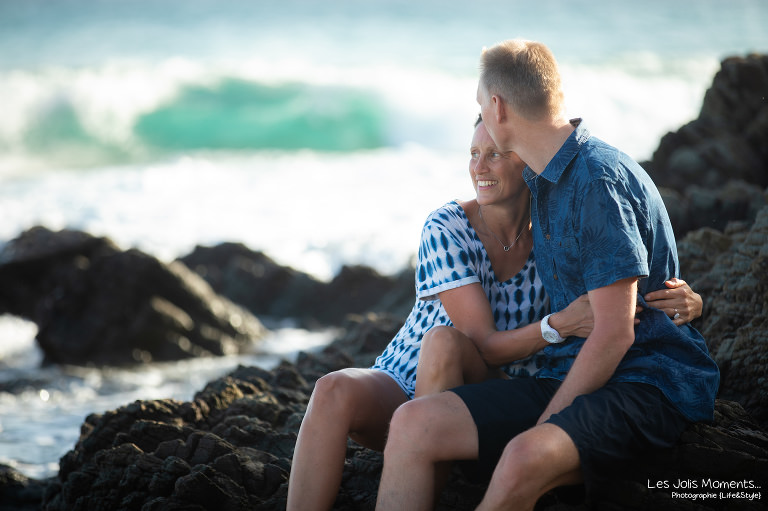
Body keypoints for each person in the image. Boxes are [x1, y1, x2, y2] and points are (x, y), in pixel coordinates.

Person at [287, 114, 703, 511]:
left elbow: (616, 289)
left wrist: (685, 298)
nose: (479, 166)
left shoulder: (554, 231)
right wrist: (557, 327)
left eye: (496, 153)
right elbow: (484, 342)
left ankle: (432, 473)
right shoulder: (447, 226)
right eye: (473, 153)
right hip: (405, 379)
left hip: (487, 385)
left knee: (445, 346)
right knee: (333, 389)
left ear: (527, 160)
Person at [374, 39, 720, 511]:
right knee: (414, 423)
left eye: (480, 102)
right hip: (566, 371)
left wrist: (543, 426)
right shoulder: (543, 178)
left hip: (644, 381)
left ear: (497, 107)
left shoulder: (595, 180)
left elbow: (614, 333)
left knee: (521, 456)